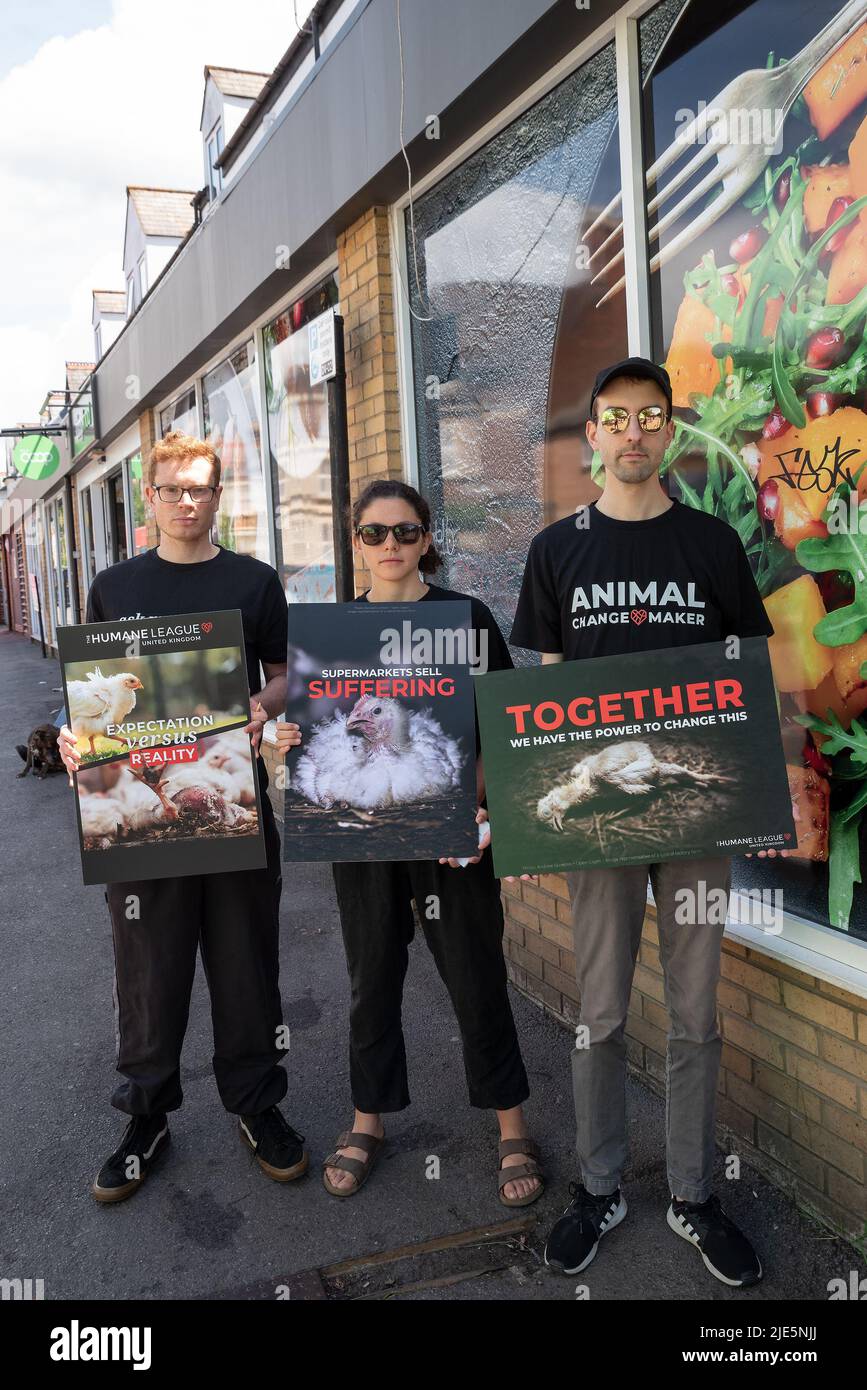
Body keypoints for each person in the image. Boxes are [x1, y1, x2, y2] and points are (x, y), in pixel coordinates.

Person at [509, 357, 774, 1286]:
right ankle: (598, 1188)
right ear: (594, 435)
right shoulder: (556, 551)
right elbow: (541, 692)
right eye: (614, 418)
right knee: (600, 1012)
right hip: (595, 826)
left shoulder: (709, 545)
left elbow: (750, 679)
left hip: (696, 831)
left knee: (696, 1014)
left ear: (667, 433)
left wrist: (751, 789)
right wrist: (540, 811)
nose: (631, 434)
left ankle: (695, 1196)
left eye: (648, 418)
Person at [276, 479, 544, 1205]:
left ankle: (510, 1125)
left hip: (454, 836)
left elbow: (501, 724)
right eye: (373, 533)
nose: (389, 546)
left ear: (426, 538)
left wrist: (476, 806)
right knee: (370, 979)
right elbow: (305, 745)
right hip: (363, 846)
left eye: (404, 532)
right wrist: (291, 742)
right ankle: (368, 1119)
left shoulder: (466, 619)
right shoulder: (329, 634)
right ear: (355, 541)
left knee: (474, 972)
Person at [58, 430, 308, 1202]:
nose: (187, 501)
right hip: (141, 816)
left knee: (245, 966)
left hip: (230, 801)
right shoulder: (114, 586)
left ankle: (257, 1104)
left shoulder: (256, 582)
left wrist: (261, 711)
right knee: (148, 972)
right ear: (151, 498)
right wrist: (75, 742)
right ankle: (145, 1116)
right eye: (172, 490)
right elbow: (92, 696)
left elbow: (283, 678)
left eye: (200, 488)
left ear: (217, 494)